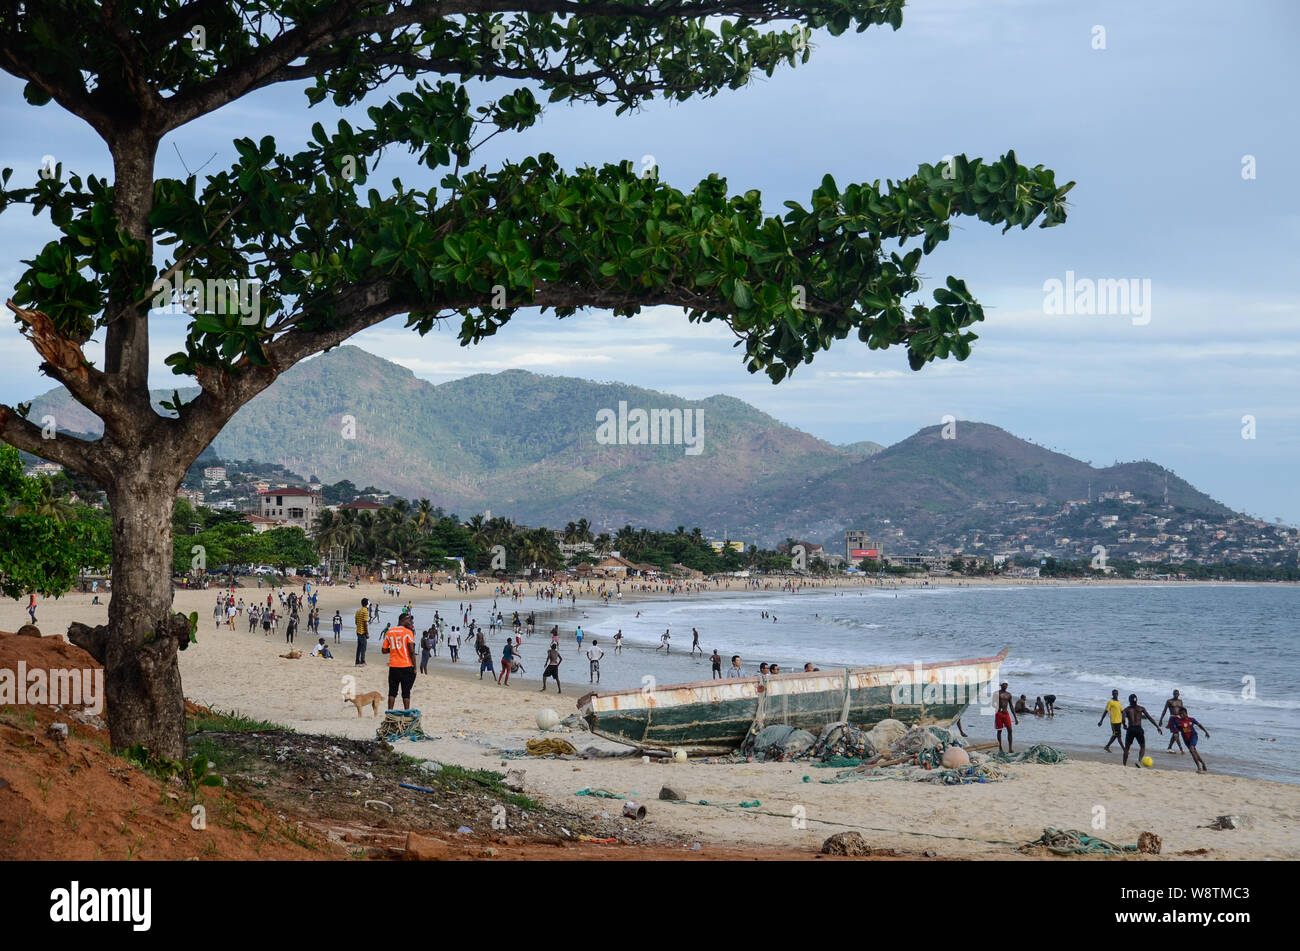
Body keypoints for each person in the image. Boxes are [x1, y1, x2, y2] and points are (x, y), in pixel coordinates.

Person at [381, 611, 417, 711]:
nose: (410, 622)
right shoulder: (408, 632)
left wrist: (393, 649)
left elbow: (383, 650)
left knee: (392, 692)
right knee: (406, 692)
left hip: (393, 666)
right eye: (409, 619)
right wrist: (415, 666)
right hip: (406, 665)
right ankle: (406, 712)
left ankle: (390, 712)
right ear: (403, 620)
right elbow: (411, 651)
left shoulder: (390, 632)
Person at [1121, 694, 1163, 768]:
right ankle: (1139, 761)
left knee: (1127, 748)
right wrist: (1157, 727)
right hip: (1139, 729)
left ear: (1129, 700)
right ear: (1136, 700)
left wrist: (1124, 725)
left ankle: (1124, 765)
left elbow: (1123, 719)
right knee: (1142, 746)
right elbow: (1149, 718)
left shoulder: (1126, 709)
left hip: (1131, 729)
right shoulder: (1141, 708)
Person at [1159, 689, 1187, 753]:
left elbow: (1183, 711)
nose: (1176, 695)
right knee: (1176, 734)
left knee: (1175, 734)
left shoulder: (1180, 701)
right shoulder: (1169, 701)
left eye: (1177, 693)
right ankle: (1181, 749)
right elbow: (1164, 710)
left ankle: (1169, 747)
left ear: (1179, 694)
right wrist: (1161, 720)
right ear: (1173, 694)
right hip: (1173, 719)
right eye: (1175, 693)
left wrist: (1185, 719)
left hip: (1179, 719)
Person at [994, 681, 1018, 753]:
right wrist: (997, 707)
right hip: (999, 713)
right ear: (1001, 685)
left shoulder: (1009, 695)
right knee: (999, 731)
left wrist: (1015, 718)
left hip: (1006, 713)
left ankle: (1010, 748)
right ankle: (1000, 748)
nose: (1005, 685)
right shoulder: (997, 693)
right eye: (1004, 684)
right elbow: (992, 703)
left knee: (1010, 730)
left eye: (1007, 684)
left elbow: (1011, 706)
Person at [354, 598, 370, 666]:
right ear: (367, 604)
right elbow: (365, 623)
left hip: (358, 631)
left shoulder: (358, 611)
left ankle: (357, 661)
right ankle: (362, 661)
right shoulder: (365, 611)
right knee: (363, 647)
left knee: (359, 647)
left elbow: (356, 622)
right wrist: (367, 633)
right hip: (363, 632)